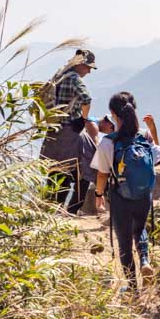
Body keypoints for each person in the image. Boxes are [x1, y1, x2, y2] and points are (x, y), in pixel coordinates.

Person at [92, 92, 160, 288]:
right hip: (143, 195)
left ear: (113, 114)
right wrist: (153, 131)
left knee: (124, 242)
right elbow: (158, 155)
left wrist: (98, 195)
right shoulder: (144, 136)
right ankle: (145, 261)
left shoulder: (109, 141)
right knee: (139, 229)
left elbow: (102, 174)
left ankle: (132, 288)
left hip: (119, 197)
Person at [39, 49, 96, 213]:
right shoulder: (74, 79)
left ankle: (51, 211)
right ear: (81, 64)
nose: (89, 71)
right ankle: (71, 211)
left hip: (52, 132)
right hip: (69, 132)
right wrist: (83, 120)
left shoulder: (58, 75)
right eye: (88, 67)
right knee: (87, 168)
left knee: (55, 173)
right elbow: (86, 98)